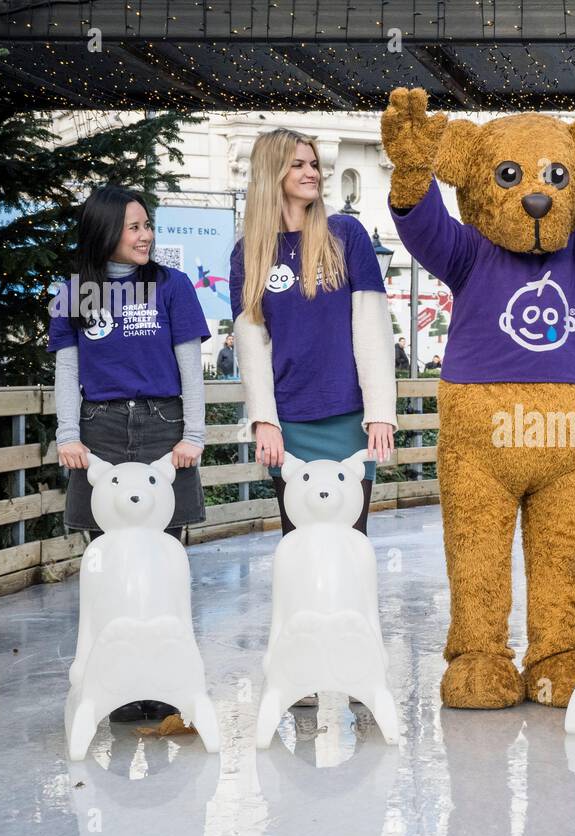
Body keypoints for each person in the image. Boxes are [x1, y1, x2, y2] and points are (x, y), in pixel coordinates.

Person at [48, 184, 211, 722]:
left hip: (164, 427)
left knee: (164, 558)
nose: (145, 236)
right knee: (107, 562)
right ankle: (114, 680)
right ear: (105, 230)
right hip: (101, 431)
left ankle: (164, 681)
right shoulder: (76, 291)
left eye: (147, 225)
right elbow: (68, 369)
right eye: (133, 226)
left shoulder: (170, 284)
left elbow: (190, 366)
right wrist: (68, 435)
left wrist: (195, 435)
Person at [230, 127, 397, 538]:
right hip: (289, 424)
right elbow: (252, 345)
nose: (313, 174)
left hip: (349, 418)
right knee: (300, 542)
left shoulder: (346, 235)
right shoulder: (248, 252)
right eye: (299, 165)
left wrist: (379, 414)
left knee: (350, 540)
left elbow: (372, 326)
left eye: (314, 165)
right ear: (273, 173)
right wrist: (263, 420)